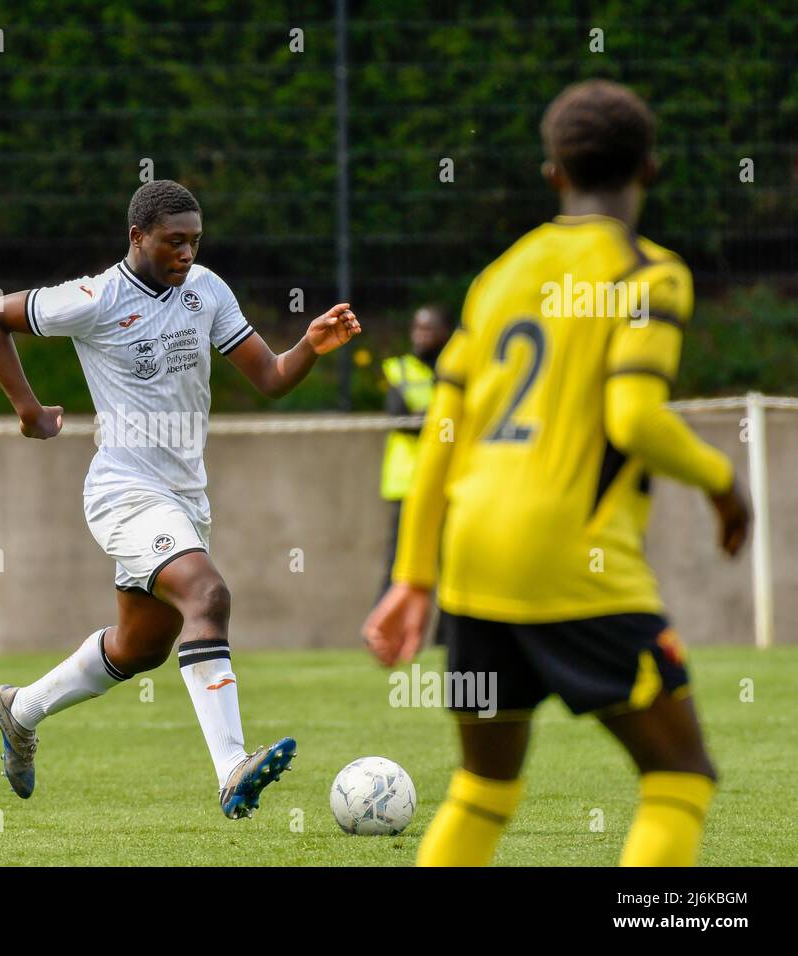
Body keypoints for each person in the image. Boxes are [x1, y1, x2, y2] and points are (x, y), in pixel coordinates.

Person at [363, 80, 750, 866]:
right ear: (649, 170)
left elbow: (443, 433)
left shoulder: (500, 275)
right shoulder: (649, 274)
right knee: (680, 774)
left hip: (473, 560)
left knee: (482, 791)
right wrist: (722, 480)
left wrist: (413, 576)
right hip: (572, 559)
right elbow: (633, 419)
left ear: (553, 176)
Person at [0, 179, 359, 818]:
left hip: (184, 498)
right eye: (173, 241)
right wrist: (29, 410)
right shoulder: (95, 298)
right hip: (124, 491)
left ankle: (21, 710)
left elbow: (270, 377)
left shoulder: (206, 290)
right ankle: (232, 768)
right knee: (208, 595)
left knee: (140, 647)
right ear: (137, 237)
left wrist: (311, 347)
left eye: (194, 241)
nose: (185, 253)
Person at [376, 304, 452, 605]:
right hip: (407, 481)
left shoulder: (452, 368)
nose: (420, 336)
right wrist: (441, 416)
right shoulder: (401, 368)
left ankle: (445, 635)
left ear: (445, 333)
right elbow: (401, 419)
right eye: (416, 329)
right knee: (400, 559)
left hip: (447, 478)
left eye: (428, 329)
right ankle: (381, 627)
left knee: (450, 559)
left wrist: (427, 415)